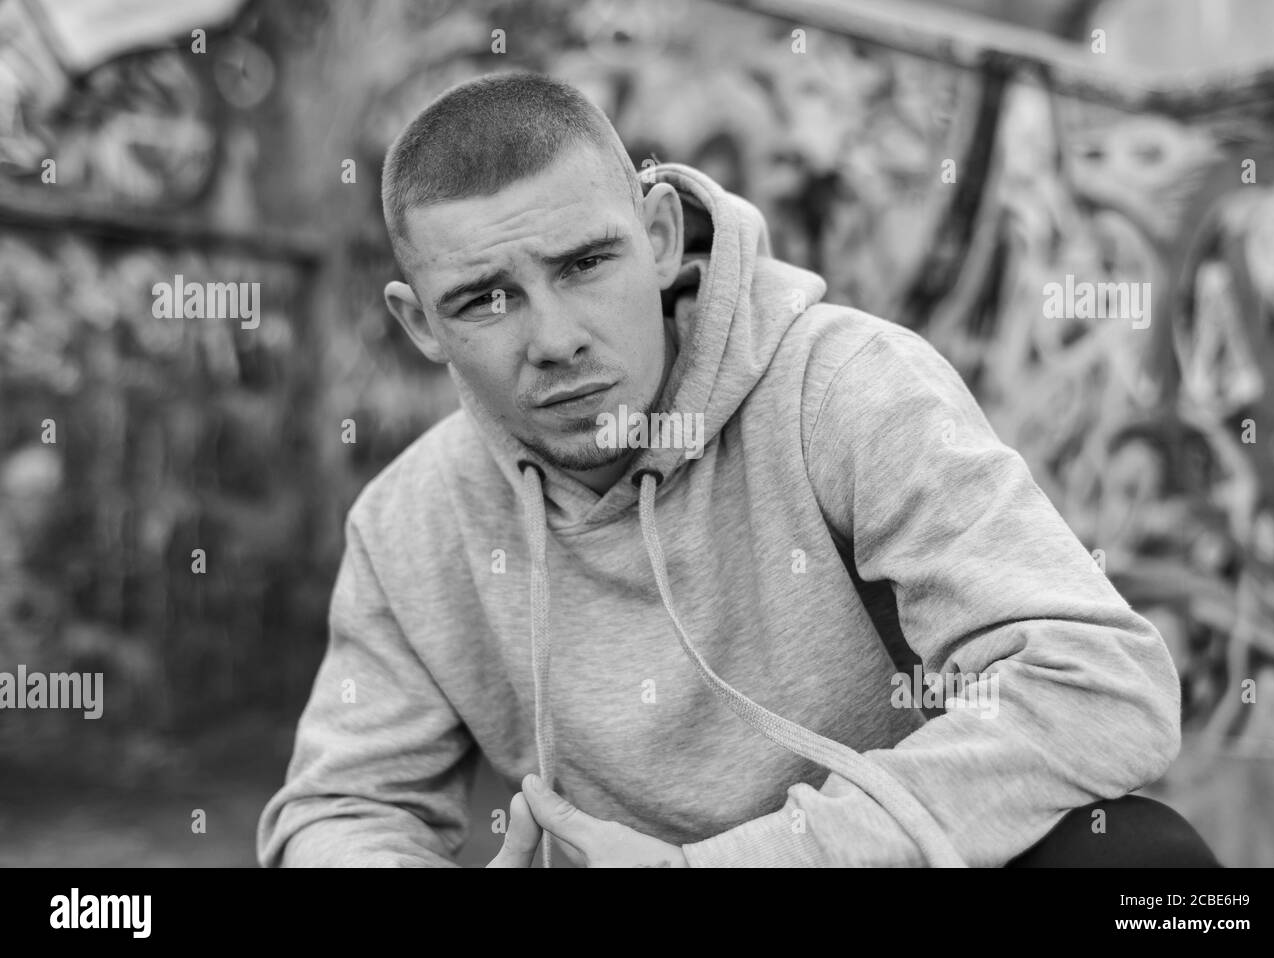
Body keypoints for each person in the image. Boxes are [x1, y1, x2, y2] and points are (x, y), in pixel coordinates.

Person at [256, 71, 1219, 868]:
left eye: (587, 263)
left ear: (662, 237)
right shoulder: (412, 521)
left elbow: (1100, 684)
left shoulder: (843, 389)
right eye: (485, 300)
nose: (554, 340)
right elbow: (340, 808)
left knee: (1144, 869)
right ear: (420, 322)